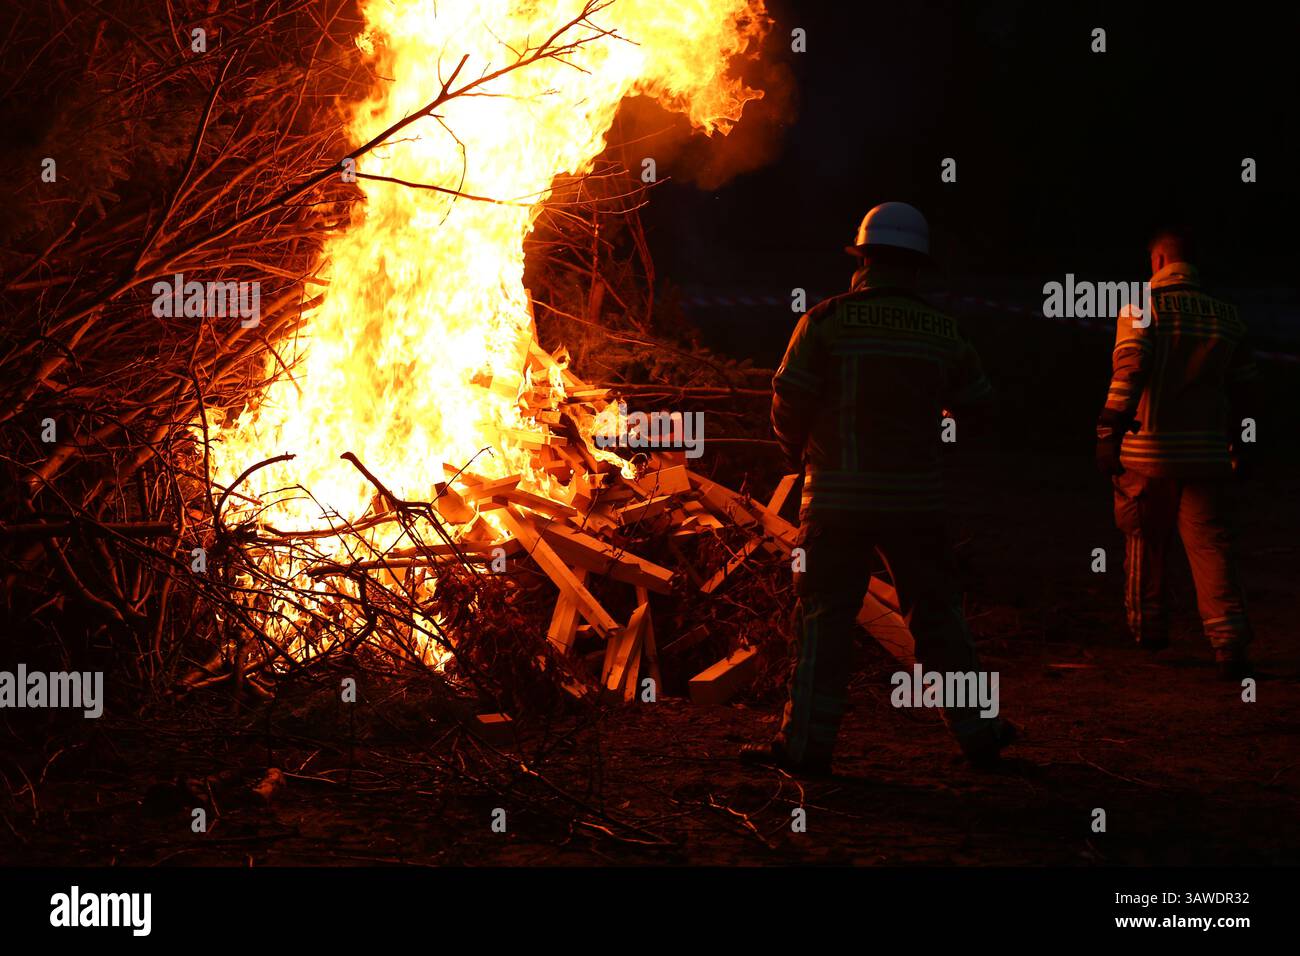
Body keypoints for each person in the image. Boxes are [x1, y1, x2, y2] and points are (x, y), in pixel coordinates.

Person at [743, 202, 1015, 776]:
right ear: (918, 265)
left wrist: (795, 454)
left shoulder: (826, 320)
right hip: (917, 503)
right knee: (939, 617)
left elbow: (788, 399)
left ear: (861, 258)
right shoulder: (944, 330)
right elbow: (981, 403)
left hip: (837, 503)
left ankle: (806, 748)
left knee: (823, 620)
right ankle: (979, 735)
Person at [1096, 228, 1259, 679]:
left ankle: (1149, 633)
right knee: (1212, 548)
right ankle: (1229, 644)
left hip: (1148, 454)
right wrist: (1243, 443)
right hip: (1208, 458)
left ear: (1160, 259)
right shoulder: (1228, 316)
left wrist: (1107, 433)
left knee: (1144, 542)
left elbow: (1128, 373)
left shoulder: (1140, 308)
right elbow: (1245, 392)